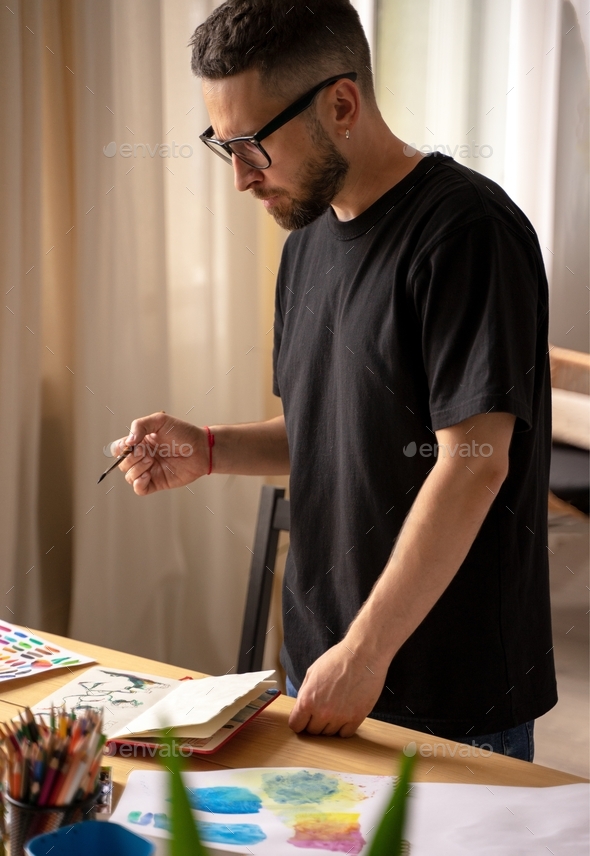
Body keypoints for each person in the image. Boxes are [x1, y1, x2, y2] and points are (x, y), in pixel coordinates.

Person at [112, 0, 556, 761]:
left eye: (253, 145)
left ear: (342, 104)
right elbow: (332, 432)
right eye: (224, 148)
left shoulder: (467, 233)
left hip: (447, 688)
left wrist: (367, 651)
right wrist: (212, 447)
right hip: (324, 666)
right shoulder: (308, 241)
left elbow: (472, 465)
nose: (241, 179)